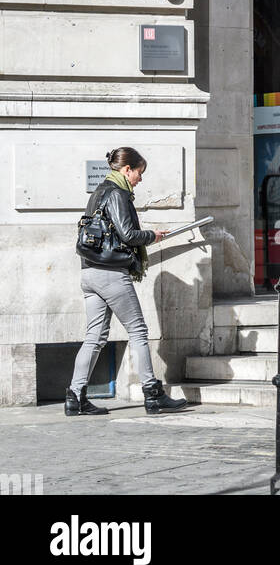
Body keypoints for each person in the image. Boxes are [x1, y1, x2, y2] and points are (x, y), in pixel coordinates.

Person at [67, 146, 189, 416]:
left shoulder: (98, 192)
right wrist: (152, 235)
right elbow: (128, 234)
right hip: (111, 274)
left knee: (94, 337)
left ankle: (75, 397)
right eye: (139, 173)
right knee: (138, 331)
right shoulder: (119, 194)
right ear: (127, 170)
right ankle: (152, 394)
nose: (140, 179)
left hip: (89, 272)